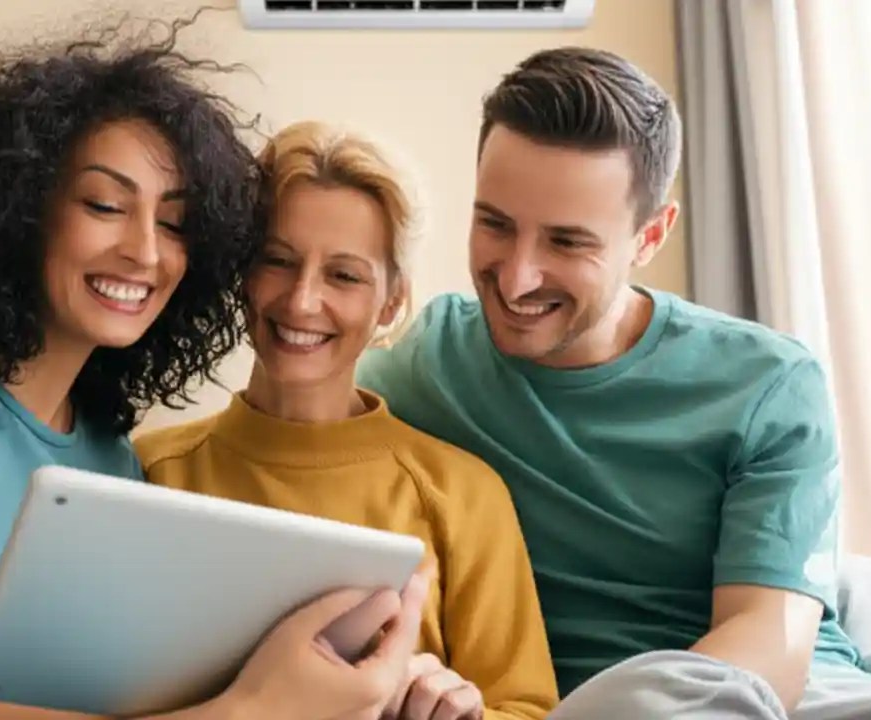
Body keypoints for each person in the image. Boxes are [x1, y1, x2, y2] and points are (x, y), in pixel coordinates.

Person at [0, 19, 431, 720]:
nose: (145, 251)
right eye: (105, 205)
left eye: (173, 223)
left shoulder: (109, 460)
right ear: (19, 205)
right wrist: (253, 709)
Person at [356, 46, 871, 720]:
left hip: (772, 698)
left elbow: (770, 642)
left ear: (651, 236)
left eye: (567, 242)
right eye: (495, 225)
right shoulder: (423, 362)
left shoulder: (768, 384)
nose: (517, 276)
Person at [136, 119, 559, 720]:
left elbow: (529, 710)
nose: (302, 300)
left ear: (392, 301)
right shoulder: (148, 471)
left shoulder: (463, 495)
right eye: (278, 260)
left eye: (344, 275)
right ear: (242, 273)